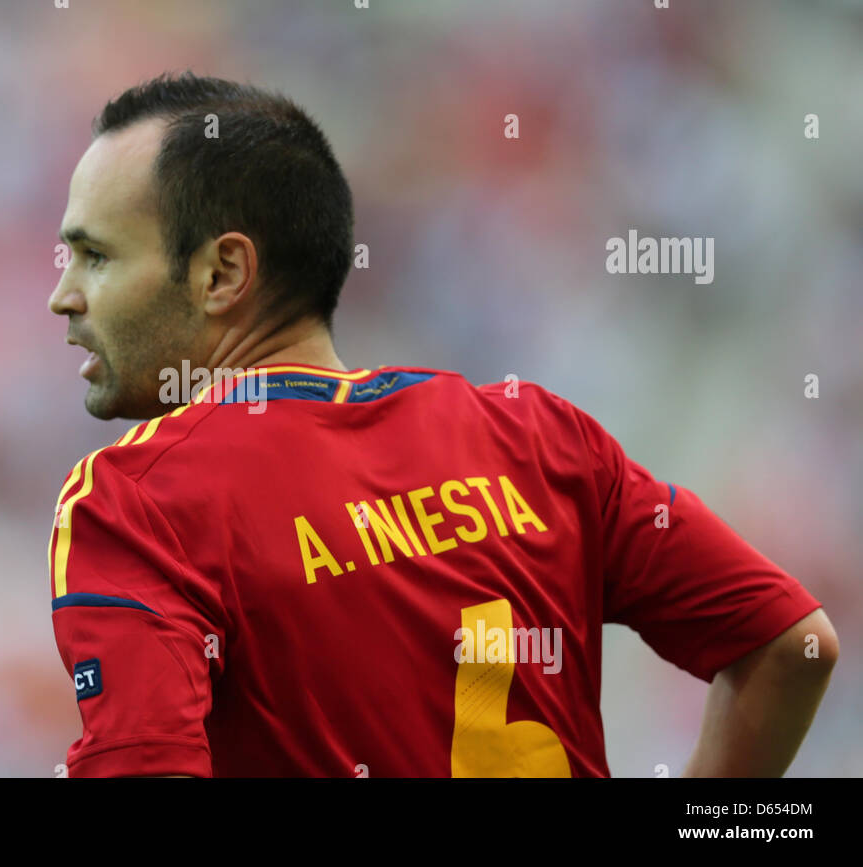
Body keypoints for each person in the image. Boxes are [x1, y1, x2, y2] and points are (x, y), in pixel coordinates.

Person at [44, 71, 837, 777]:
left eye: (96, 257)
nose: (64, 295)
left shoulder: (135, 503)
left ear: (223, 273)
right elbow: (794, 645)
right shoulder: (534, 433)